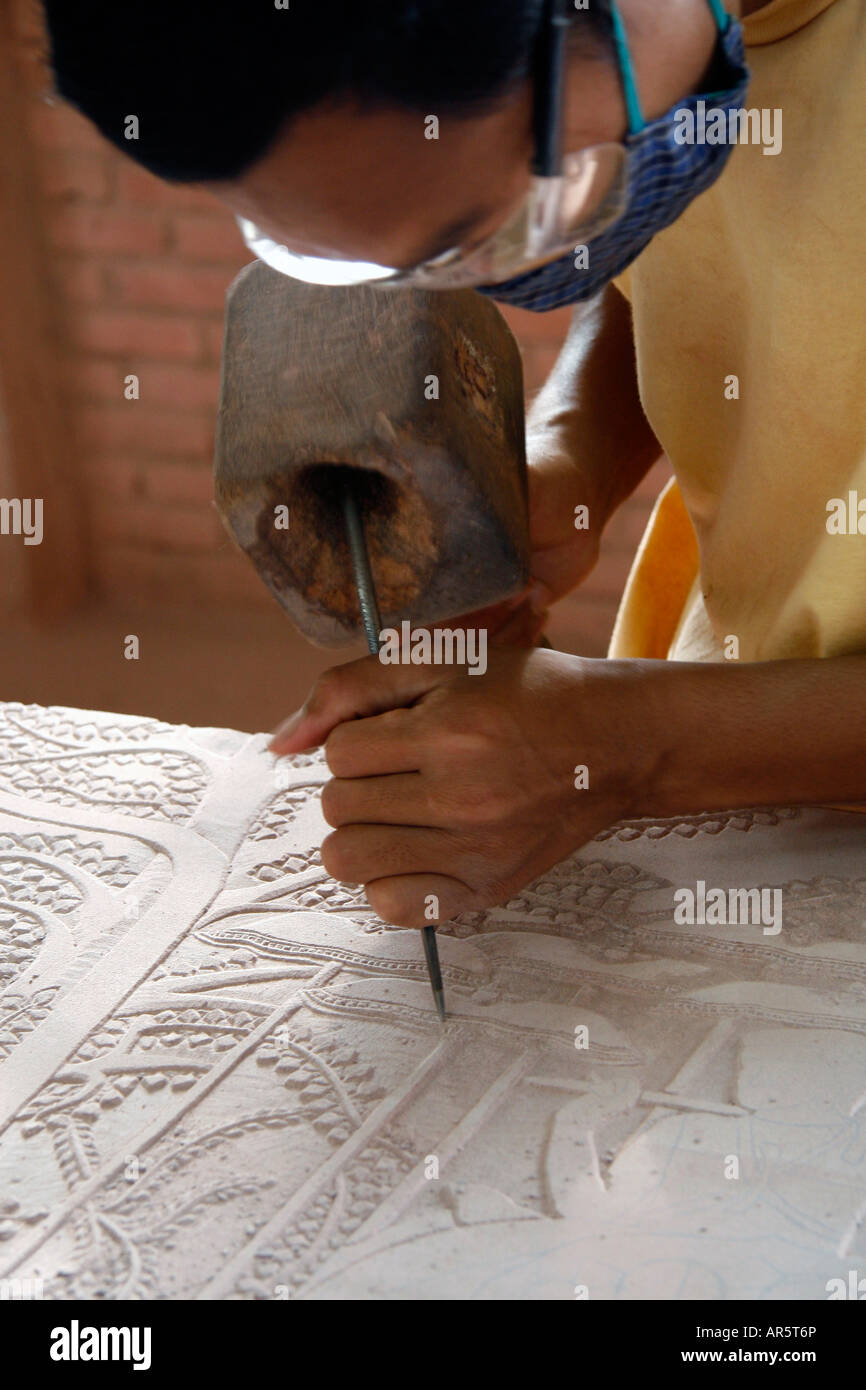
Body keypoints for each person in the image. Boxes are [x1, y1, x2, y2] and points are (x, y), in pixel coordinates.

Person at [45, 0, 865, 928]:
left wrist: (635, 742)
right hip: (742, 719)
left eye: (514, 222)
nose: (524, 270)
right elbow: (701, 266)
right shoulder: (674, 51)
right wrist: (570, 463)